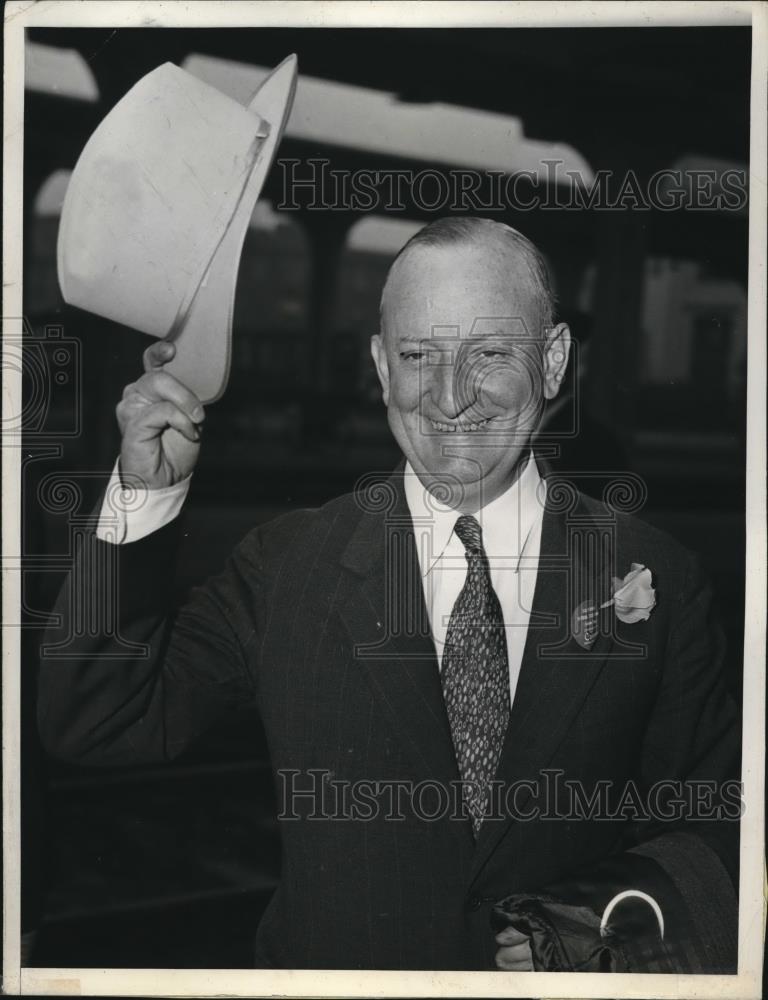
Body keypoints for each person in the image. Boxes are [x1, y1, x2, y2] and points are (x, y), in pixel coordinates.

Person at [38, 217, 741, 972]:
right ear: (380, 364)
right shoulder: (289, 565)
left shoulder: (652, 574)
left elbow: (724, 829)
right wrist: (146, 496)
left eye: (491, 353)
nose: (450, 397)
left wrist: (590, 928)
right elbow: (97, 719)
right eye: (418, 355)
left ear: (555, 360)